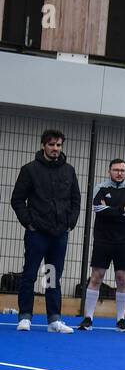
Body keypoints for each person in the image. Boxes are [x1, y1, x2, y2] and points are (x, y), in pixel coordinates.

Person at [10, 128, 80, 334]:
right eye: (51, 144)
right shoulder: (29, 169)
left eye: (59, 145)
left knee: (52, 276)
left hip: (59, 233)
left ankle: (54, 320)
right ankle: (25, 317)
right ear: (43, 145)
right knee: (30, 274)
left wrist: (70, 222)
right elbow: (17, 199)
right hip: (36, 232)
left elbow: (75, 200)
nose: (55, 148)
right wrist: (28, 222)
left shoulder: (69, 171)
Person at [77, 158, 125, 332]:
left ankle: (121, 320)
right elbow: (97, 209)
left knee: (122, 279)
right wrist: (122, 210)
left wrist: (111, 210)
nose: (119, 173)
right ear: (109, 171)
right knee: (96, 277)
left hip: (123, 242)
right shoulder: (101, 188)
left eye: (122, 170)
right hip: (102, 240)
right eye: (116, 170)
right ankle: (88, 318)